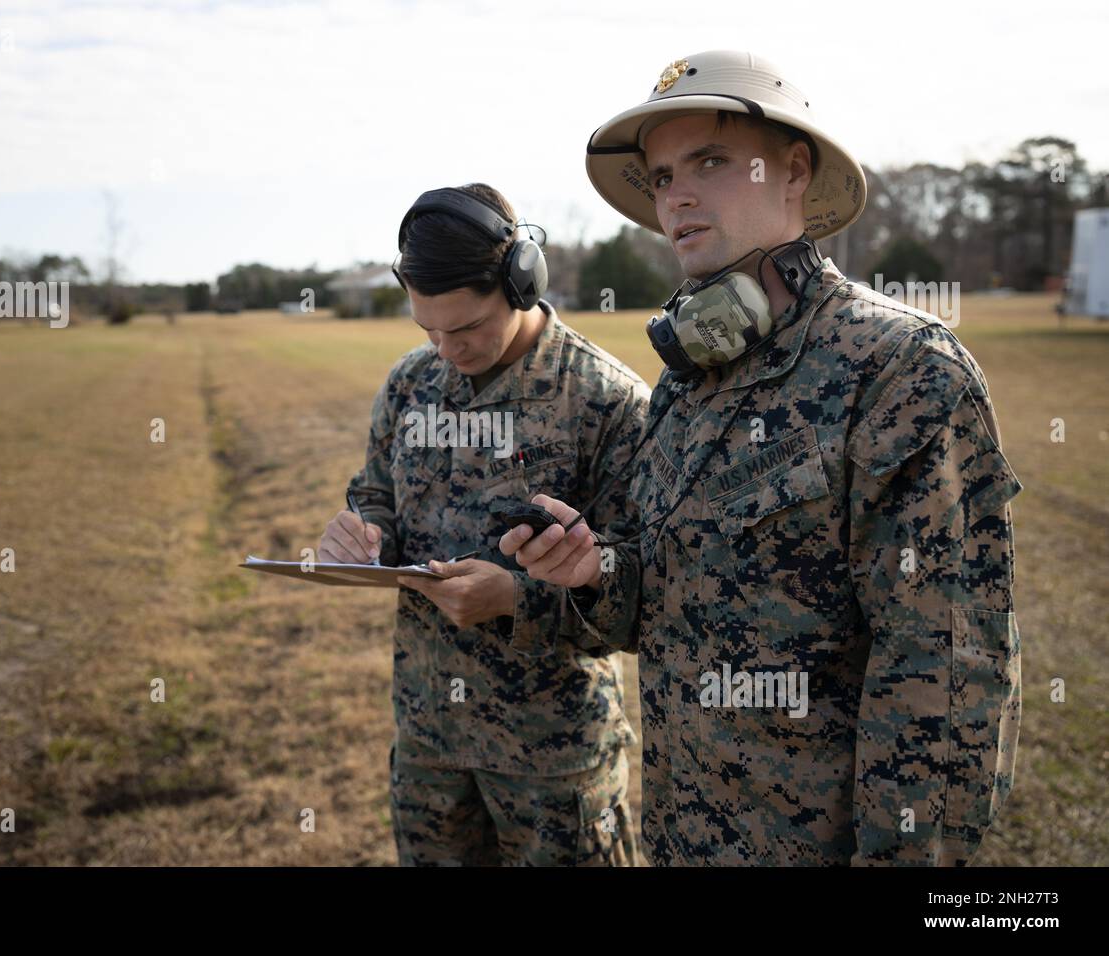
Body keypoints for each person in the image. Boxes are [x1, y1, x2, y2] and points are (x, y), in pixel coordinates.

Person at [500, 50, 1022, 866]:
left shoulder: (898, 369)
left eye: (710, 161)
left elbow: (944, 673)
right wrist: (594, 569)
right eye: (663, 174)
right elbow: (662, 600)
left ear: (793, 170)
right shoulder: (686, 384)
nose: (676, 194)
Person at [319, 183, 650, 865]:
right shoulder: (409, 386)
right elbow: (374, 493)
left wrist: (514, 599)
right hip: (428, 743)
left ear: (521, 284)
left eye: (465, 329)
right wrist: (362, 533)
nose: (444, 349)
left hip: (553, 764)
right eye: (428, 330)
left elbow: (643, 599)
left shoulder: (608, 403)